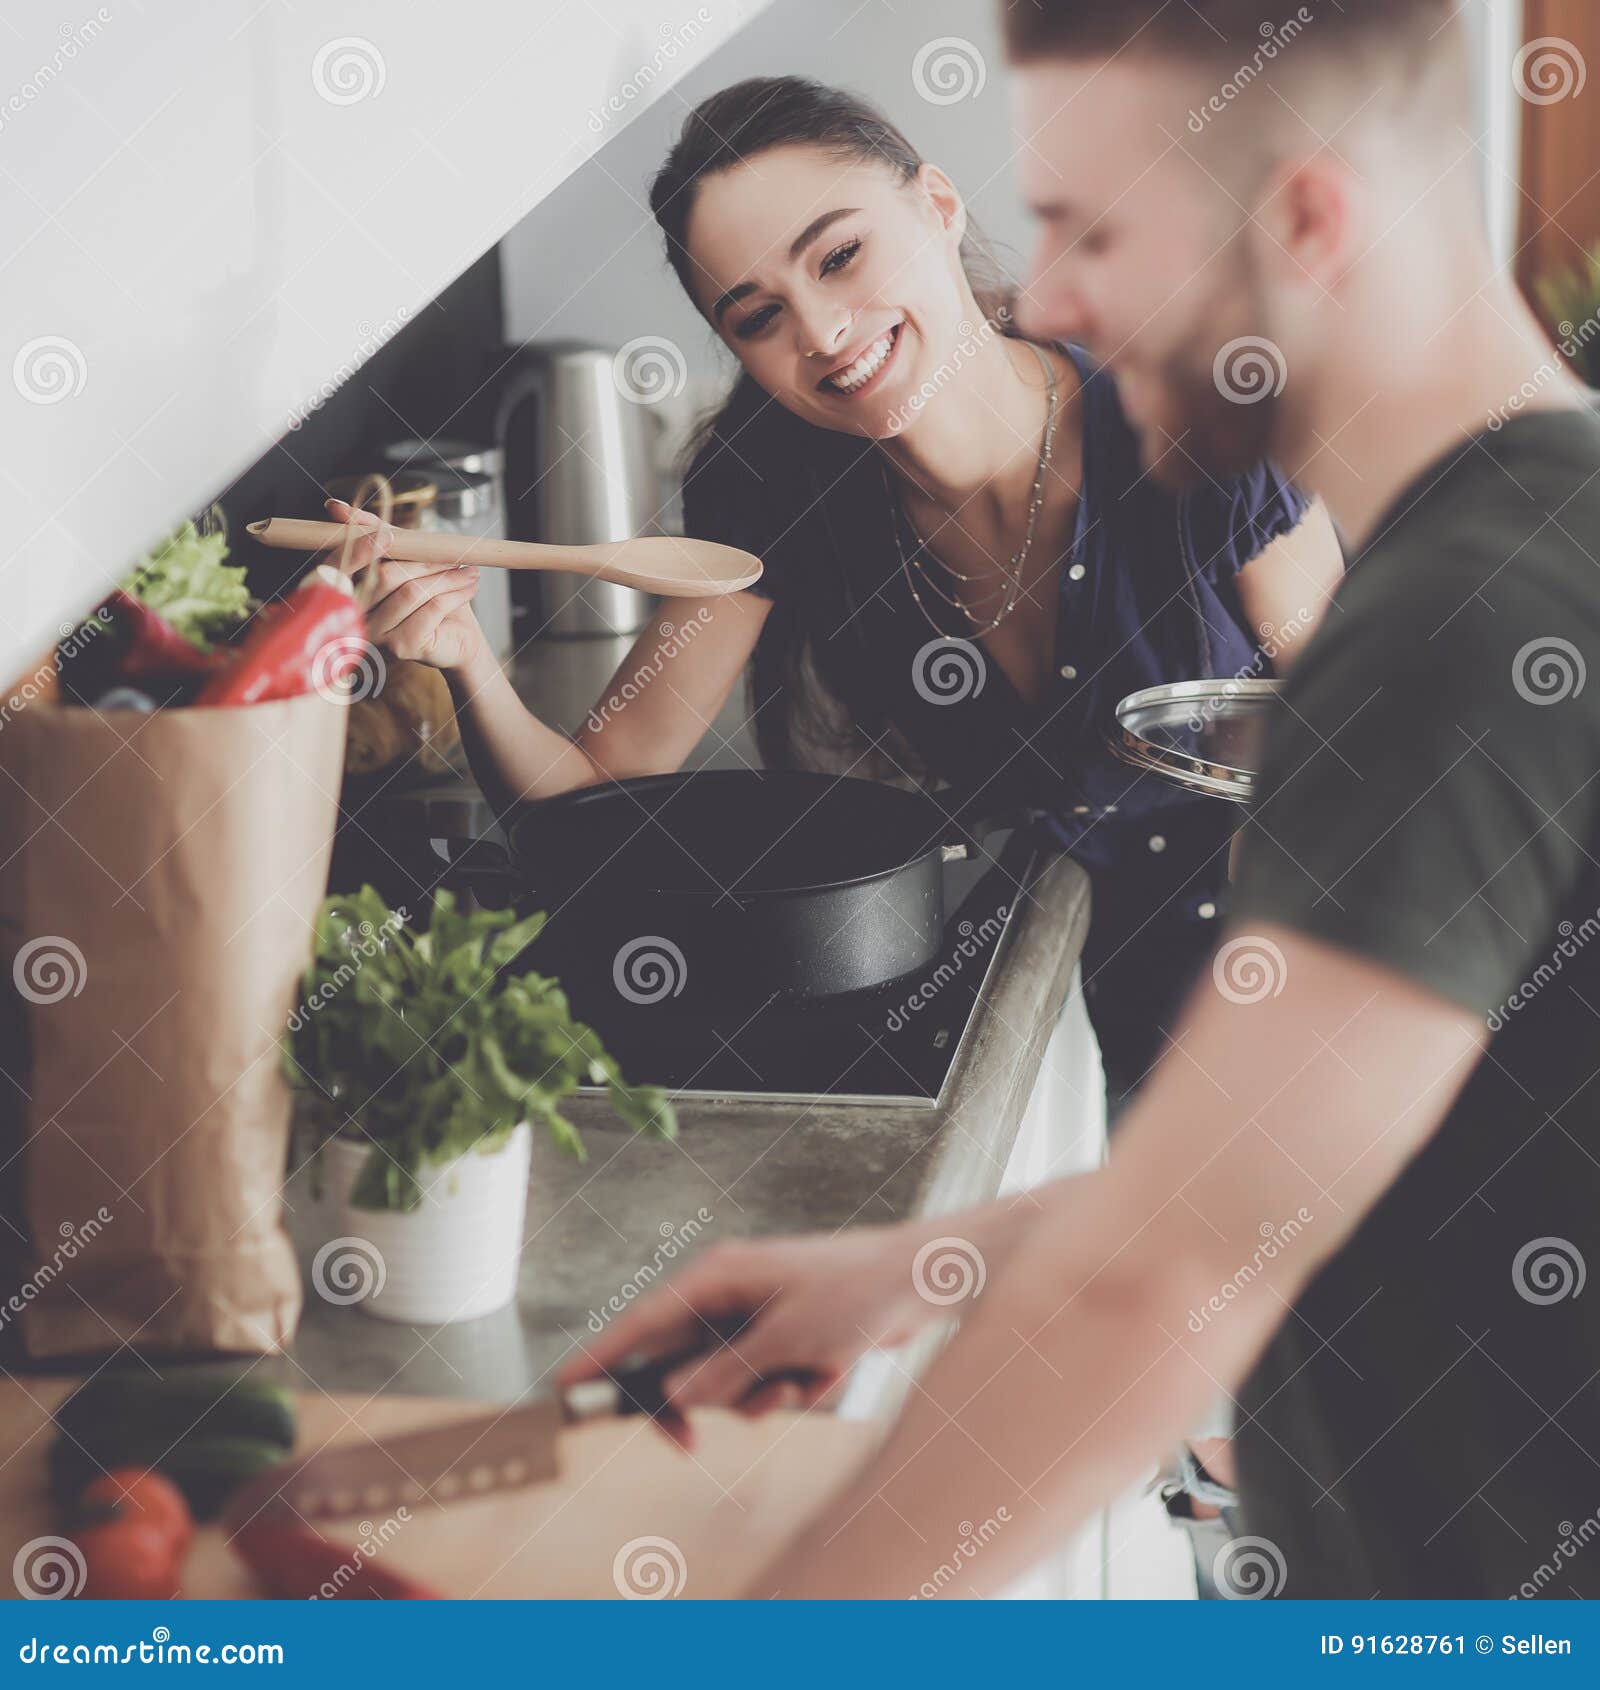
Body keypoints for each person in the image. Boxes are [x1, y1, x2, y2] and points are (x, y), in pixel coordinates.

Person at [560, 0, 1600, 1601]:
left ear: (1305, 219)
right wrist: (912, 1265)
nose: (1046, 300)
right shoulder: (1529, 544)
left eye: (1094, 233)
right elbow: (1283, 1177)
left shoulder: (1452, 641)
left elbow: (1162, 1281)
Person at [344, 75, 1342, 1123]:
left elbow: (1366, 736)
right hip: (1033, 979)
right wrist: (460, 651)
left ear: (939, 205)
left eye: (840, 255)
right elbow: (596, 797)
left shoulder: (1190, 422)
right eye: (758, 315)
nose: (820, 332)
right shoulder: (776, 483)